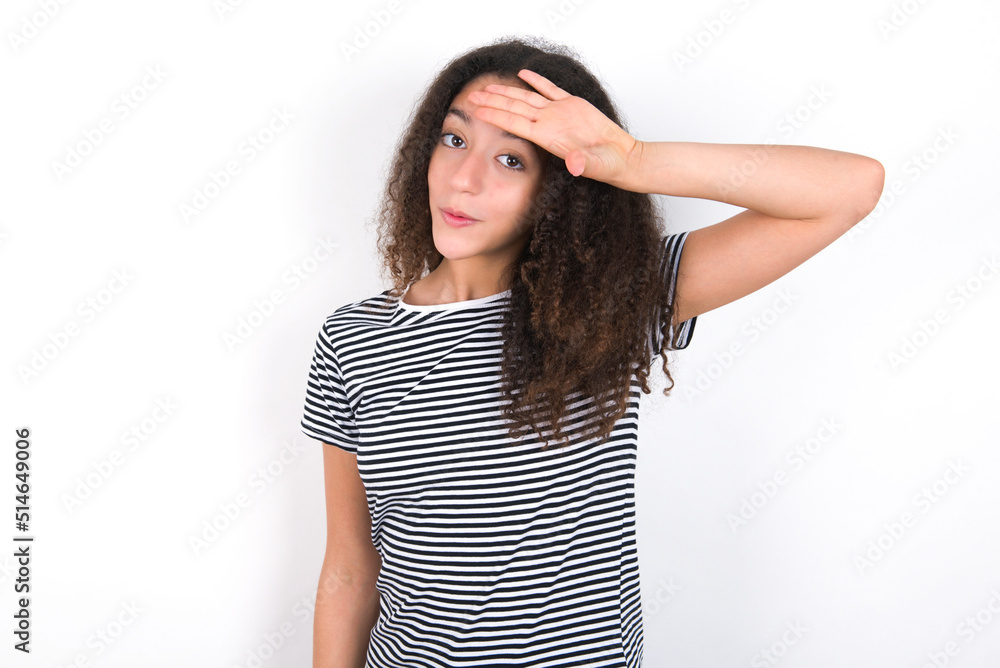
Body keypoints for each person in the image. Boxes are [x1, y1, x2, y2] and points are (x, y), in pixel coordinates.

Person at [301, 35, 884, 668]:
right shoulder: (353, 338)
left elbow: (850, 188)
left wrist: (630, 159)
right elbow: (350, 570)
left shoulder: (614, 302)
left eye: (513, 161)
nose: (464, 181)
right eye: (455, 139)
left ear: (559, 192)